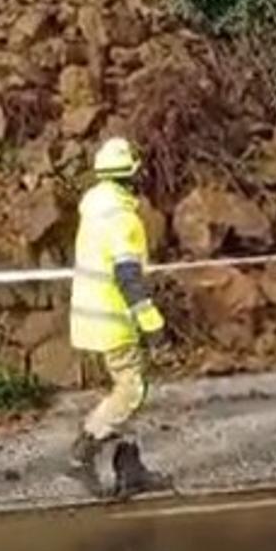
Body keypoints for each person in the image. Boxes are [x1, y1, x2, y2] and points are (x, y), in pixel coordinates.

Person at [67, 137, 173, 501]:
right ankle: (84, 450)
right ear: (130, 177)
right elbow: (129, 279)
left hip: (92, 317)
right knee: (131, 390)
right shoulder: (122, 219)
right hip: (113, 318)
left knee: (127, 389)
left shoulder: (95, 211)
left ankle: (131, 470)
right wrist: (153, 325)